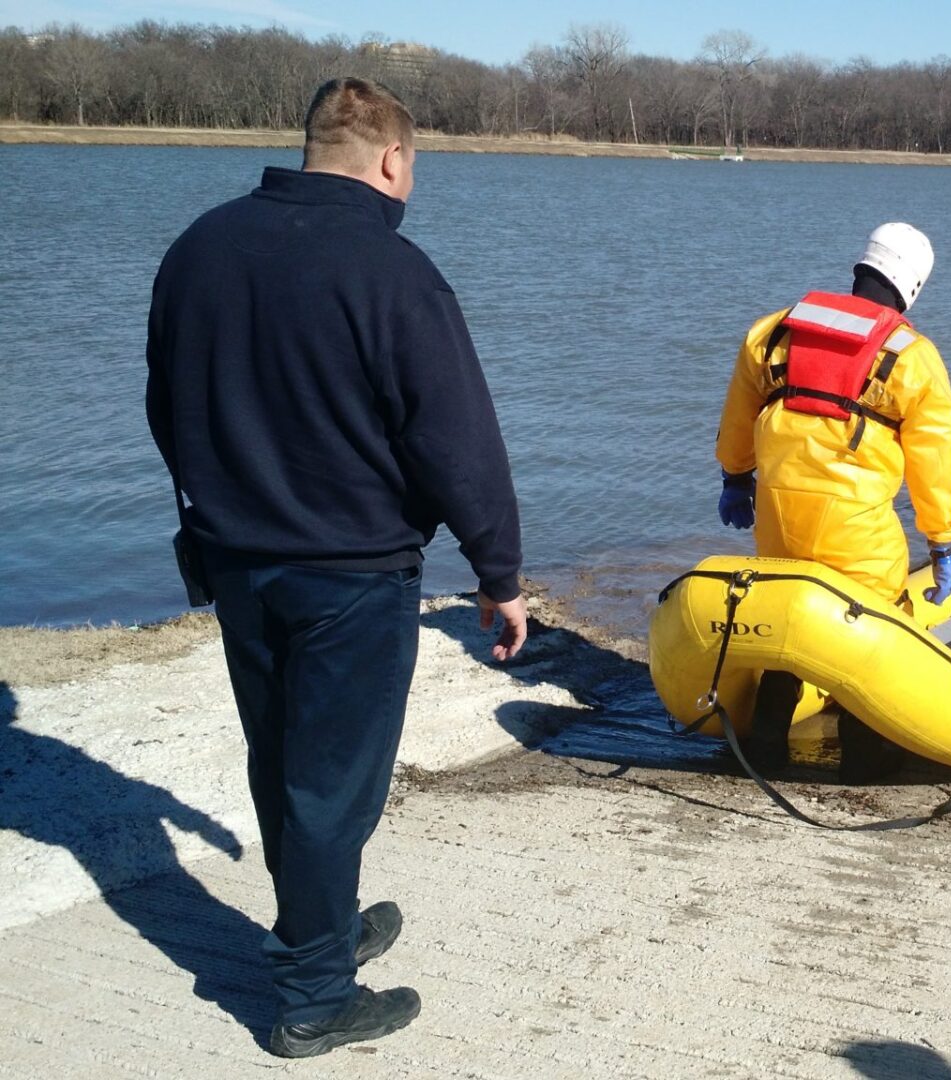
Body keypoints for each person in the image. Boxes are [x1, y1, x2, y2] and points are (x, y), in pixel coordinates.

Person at [145, 77, 527, 1058]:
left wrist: (221, 502)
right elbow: (457, 441)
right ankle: (314, 995)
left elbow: (165, 404)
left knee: (283, 761)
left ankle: (323, 922)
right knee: (333, 783)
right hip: (351, 572)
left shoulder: (201, 249)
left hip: (238, 561)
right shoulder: (391, 271)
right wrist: (499, 572)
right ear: (393, 160)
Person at [714, 223, 951, 776]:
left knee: (787, 619)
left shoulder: (776, 332)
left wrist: (736, 478)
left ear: (863, 266)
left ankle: (762, 750)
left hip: (780, 520)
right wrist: (942, 539)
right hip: (855, 530)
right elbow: (936, 461)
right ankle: (865, 760)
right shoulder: (912, 357)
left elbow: (739, 412)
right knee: (874, 629)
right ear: (914, 282)